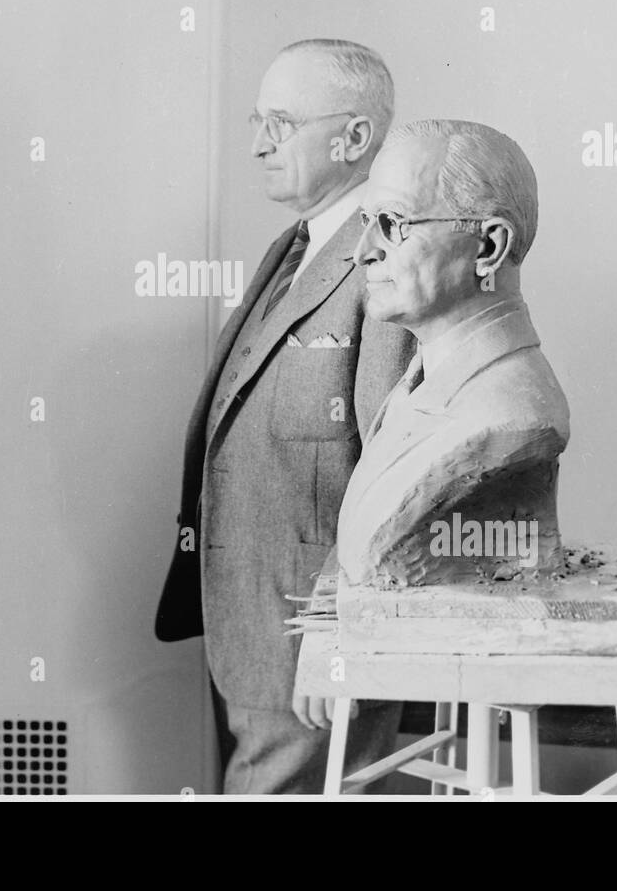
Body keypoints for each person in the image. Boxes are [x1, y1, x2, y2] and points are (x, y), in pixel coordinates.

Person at [155, 39, 415, 793]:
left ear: (355, 137)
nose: (259, 141)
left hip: (309, 634)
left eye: (282, 121)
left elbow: (389, 472)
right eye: (256, 119)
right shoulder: (297, 244)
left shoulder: (384, 257)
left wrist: (335, 629)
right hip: (251, 623)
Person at [338, 119, 569, 586]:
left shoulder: (513, 415)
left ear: (488, 247)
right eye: (366, 223)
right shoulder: (417, 385)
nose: (363, 252)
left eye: (392, 223)